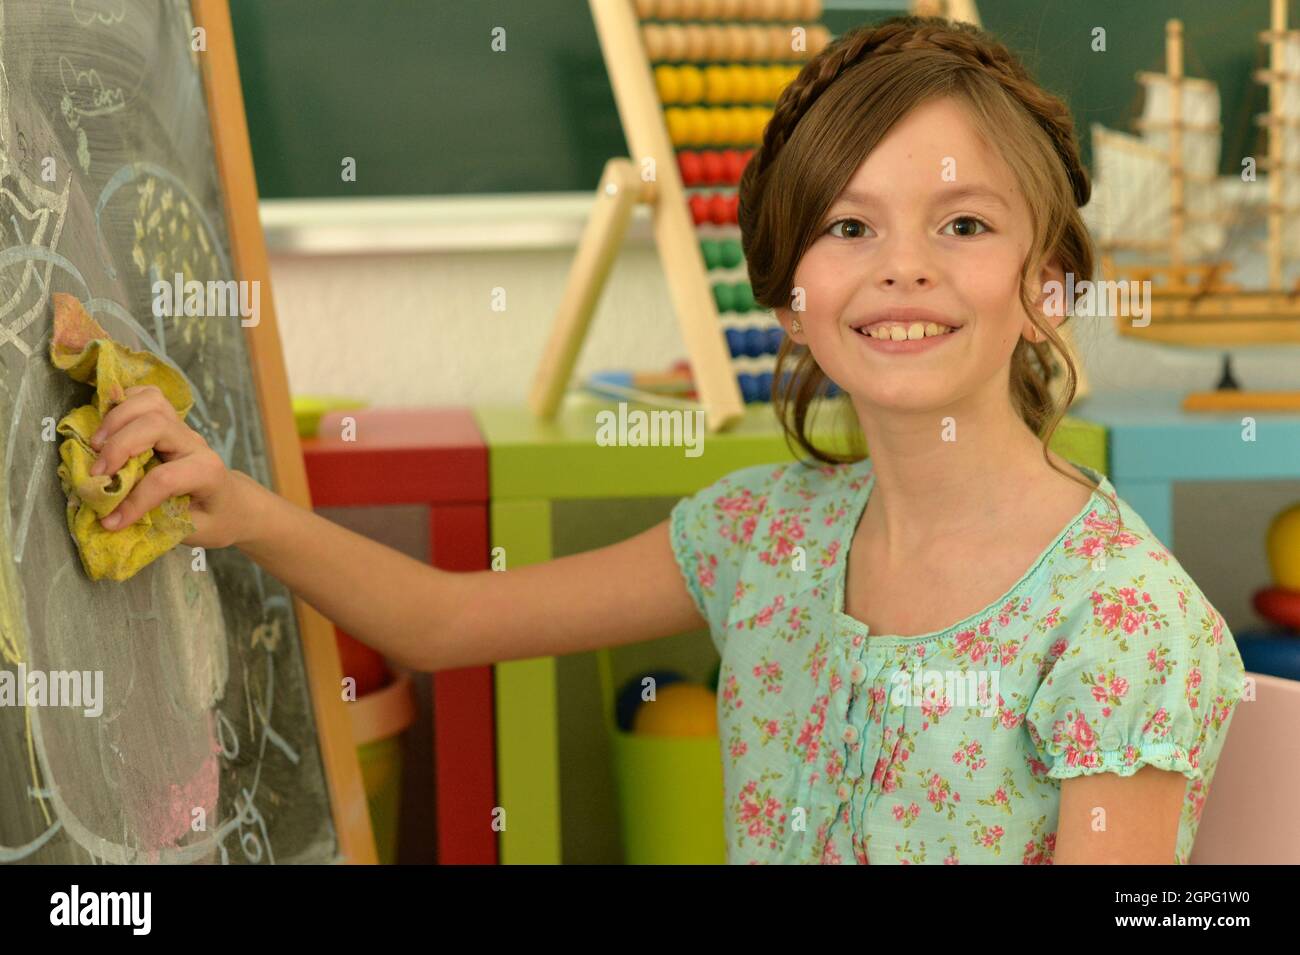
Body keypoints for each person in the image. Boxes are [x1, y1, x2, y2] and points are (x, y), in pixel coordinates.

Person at [85, 15, 1244, 864]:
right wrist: (233, 504)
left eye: (964, 223)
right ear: (789, 299)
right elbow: (442, 623)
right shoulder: (760, 534)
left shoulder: (1120, 621)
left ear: (1047, 285)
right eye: (849, 224)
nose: (905, 264)